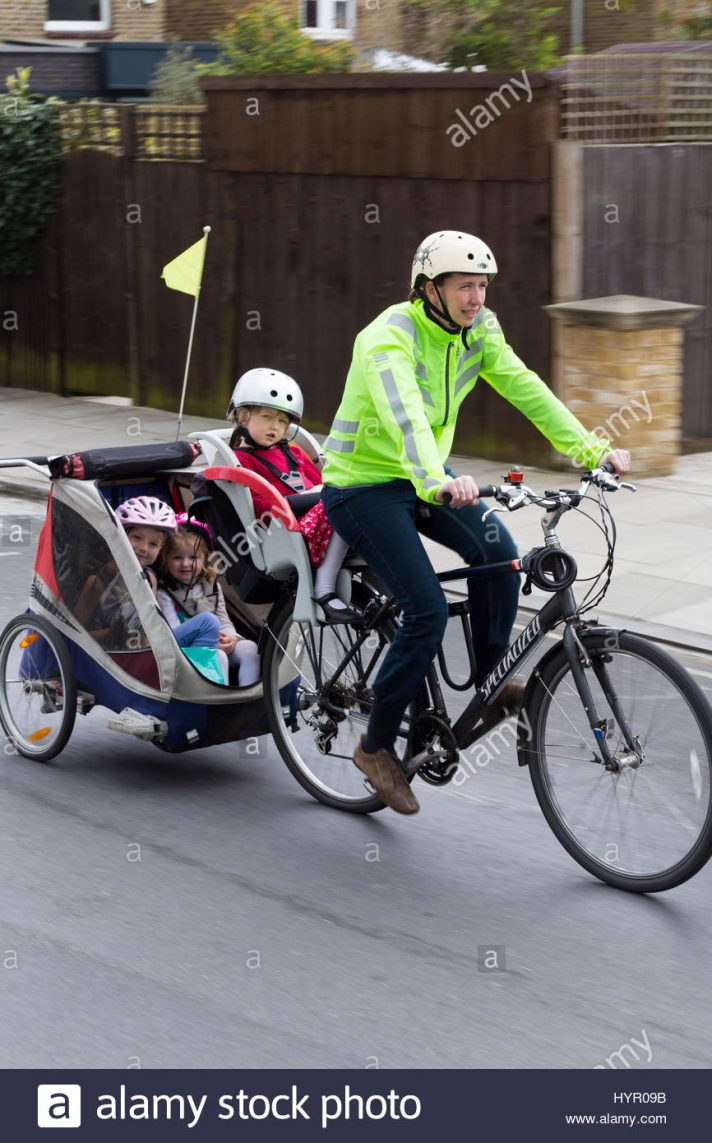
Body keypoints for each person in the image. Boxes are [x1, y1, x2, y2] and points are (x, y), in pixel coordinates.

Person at [321, 229, 631, 816]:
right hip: (364, 486)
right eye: (465, 286)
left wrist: (593, 451)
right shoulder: (387, 337)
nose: (477, 298)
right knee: (427, 610)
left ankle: (491, 682)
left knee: (501, 557)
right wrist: (434, 477)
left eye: (483, 286)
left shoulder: (478, 332)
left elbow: (526, 389)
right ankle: (376, 744)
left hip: (428, 477)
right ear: (429, 288)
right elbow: (405, 417)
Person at [227, 367, 356, 622]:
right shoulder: (240, 461)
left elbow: (325, 482)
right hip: (290, 533)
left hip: (321, 518)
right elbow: (258, 509)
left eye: (283, 421)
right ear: (242, 416)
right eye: (267, 417)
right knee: (346, 500)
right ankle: (325, 587)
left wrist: (321, 491)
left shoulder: (294, 453)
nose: (276, 426)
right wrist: (311, 496)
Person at [157, 517, 261, 686]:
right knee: (217, 654)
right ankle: (220, 702)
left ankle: (247, 697)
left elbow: (223, 619)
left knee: (250, 649)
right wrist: (212, 643)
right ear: (165, 560)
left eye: (193, 558)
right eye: (177, 558)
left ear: (204, 559)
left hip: (216, 642)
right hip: (187, 648)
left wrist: (232, 638)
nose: (185, 564)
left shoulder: (212, 587)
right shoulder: (164, 592)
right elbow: (174, 631)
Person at [74, 495, 179, 648]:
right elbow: (74, 634)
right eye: (137, 537)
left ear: (161, 549)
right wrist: (114, 634)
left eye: (153, 544)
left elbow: (150, 624)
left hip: (143, 649)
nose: (144, 548)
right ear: (119, 536)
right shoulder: (97, 582)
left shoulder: (150, 578)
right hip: (109, 657)